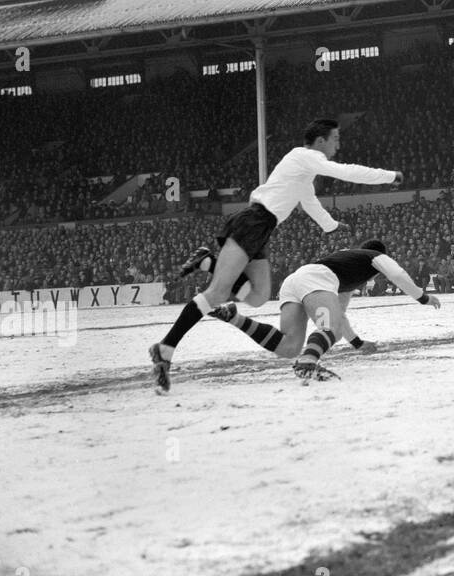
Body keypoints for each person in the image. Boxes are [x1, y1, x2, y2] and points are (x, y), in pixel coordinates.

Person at [149, 118, 401, 394]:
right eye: (336, 139)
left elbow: (309, 201)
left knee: (257, 297)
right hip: (253, 221)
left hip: (262, 227)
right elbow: (344, 172)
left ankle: (207, 262)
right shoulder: (304, 156)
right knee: (217, 293)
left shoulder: (302, 171)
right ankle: (166, 348)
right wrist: (389, 176)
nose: (338, 145)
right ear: (321, 141)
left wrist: (331, 225)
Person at [211, 239, 439, 382]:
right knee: (330, 328)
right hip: (317, 279)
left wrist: (357, 343)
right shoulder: (373, 256)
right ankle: (308, 361)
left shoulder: (348, 268)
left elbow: (340, 313)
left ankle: (235, 317)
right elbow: (397, 275)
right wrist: (423, 297)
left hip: (295, 281)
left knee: (289, 346)